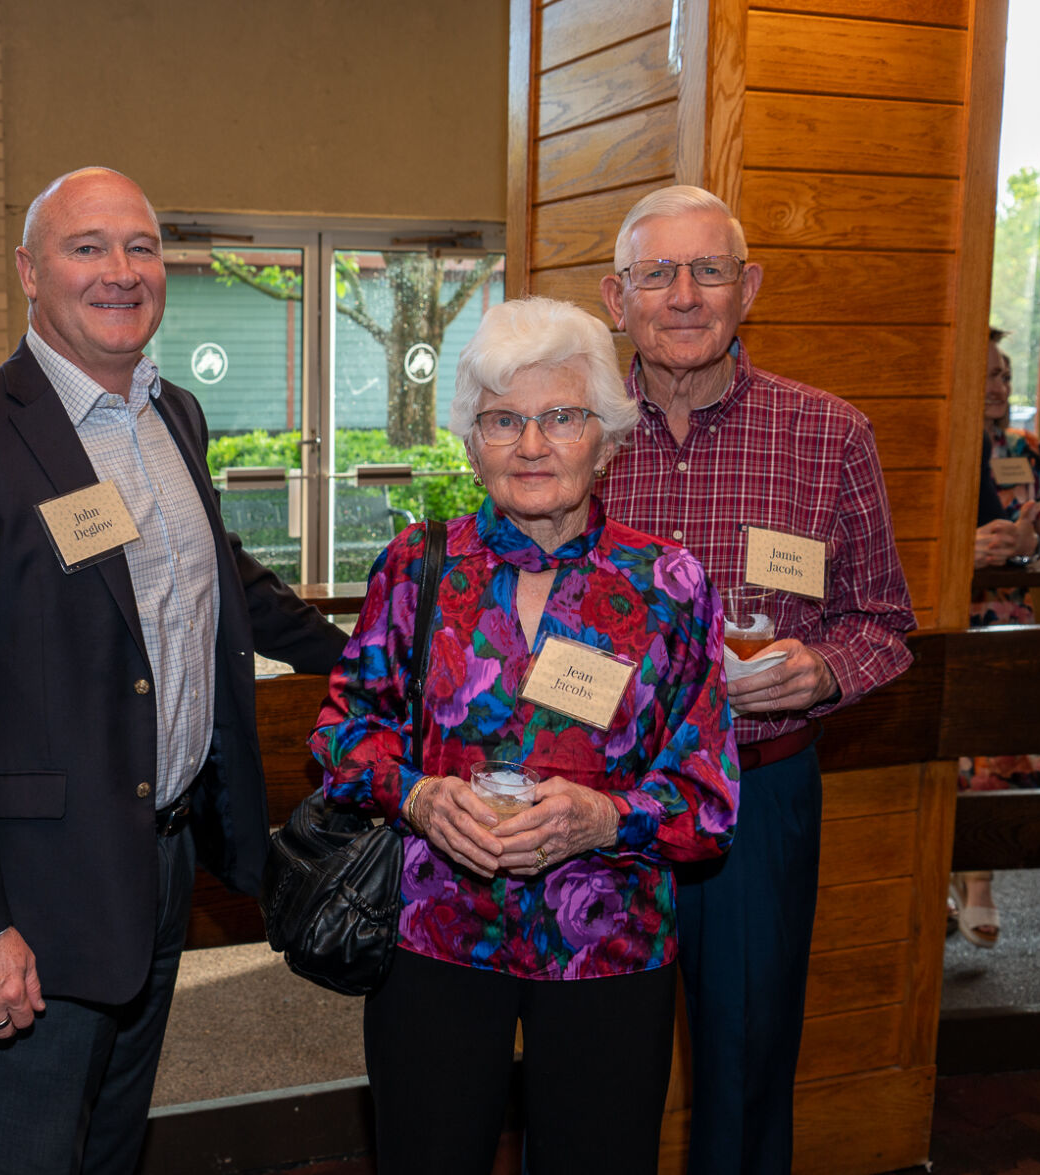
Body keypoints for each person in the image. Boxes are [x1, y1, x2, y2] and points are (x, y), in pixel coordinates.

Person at [0, 166, 346, 1174]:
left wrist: (375, 657)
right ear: (30, 271)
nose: (119, 271)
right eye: (88, 247)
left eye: (139, 246)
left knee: (113, 1144)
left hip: (163, 854)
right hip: (34, 890)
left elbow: (222, 582)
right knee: (26, 1153)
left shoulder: (176, 418)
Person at [309, 295, 739, 1173]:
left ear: (608, 437)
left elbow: (709, 796)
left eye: (560, 416)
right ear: (470, 441)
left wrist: (603, 818)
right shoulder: (417, 563)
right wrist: (420, 795)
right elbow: (341, 733)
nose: (532, 444)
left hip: (609, 944)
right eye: (503, 419)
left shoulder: (669, 584)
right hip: (433, 933)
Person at [596, 185, 916, 1175]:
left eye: (710, 269)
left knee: (744, 1065)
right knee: (596, 1064)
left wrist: (820, 668)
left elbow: (885, 623)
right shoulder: (572, 435)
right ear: (617, 297)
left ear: (750, 287)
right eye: (657, 273)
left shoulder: (830, 435)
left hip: (759, 794)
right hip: (600, 799)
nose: (684, 295)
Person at [953, 328, 1040, 945]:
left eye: (1005, 375)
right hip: (944, 622)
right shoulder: (938, 441)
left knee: (994, 755)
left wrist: (1027, 545)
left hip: (1006, 626)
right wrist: (957, 551)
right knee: (948, 761)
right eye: (989, 375)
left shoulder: (1026, 449)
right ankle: (948, 873)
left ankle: (977, 879)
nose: (1000, 386)